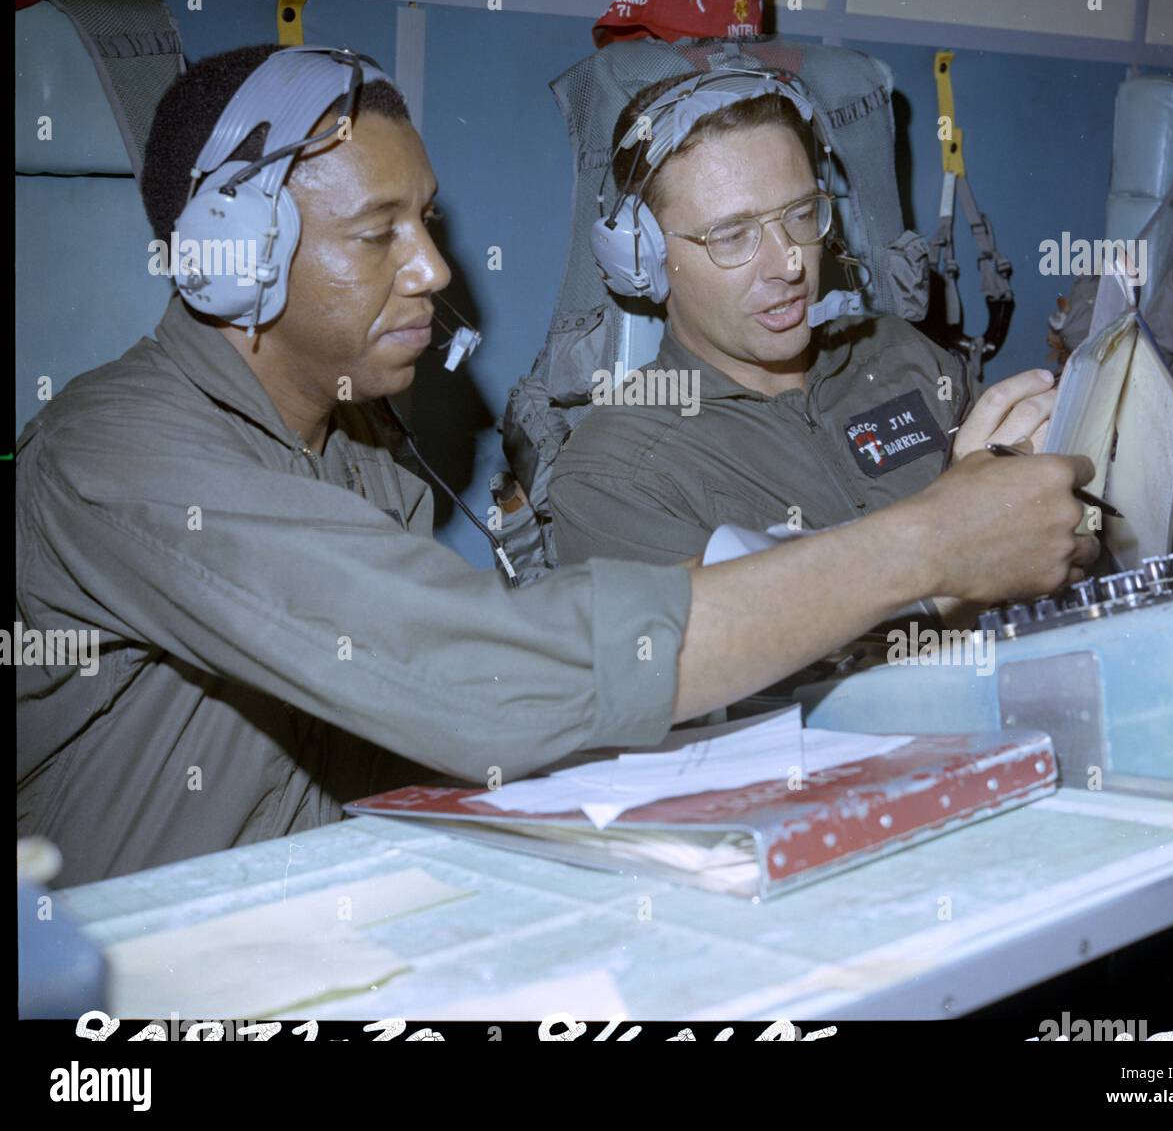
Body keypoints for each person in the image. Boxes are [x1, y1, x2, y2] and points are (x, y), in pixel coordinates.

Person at [16, 43, 1098, 887]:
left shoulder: (359, 451)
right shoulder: (119, 459)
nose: (436, 268)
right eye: (378, 233)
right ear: (227, 261)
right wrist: (928, 544)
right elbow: (482, 679)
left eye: (426, 221)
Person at [549, 74, 1062, 618]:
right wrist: (960, 543)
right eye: (732, 236)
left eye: (801, 214)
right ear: (643, 261)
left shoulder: (900, 354)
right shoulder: (614, 474)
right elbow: (711, 671)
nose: (790, 264)